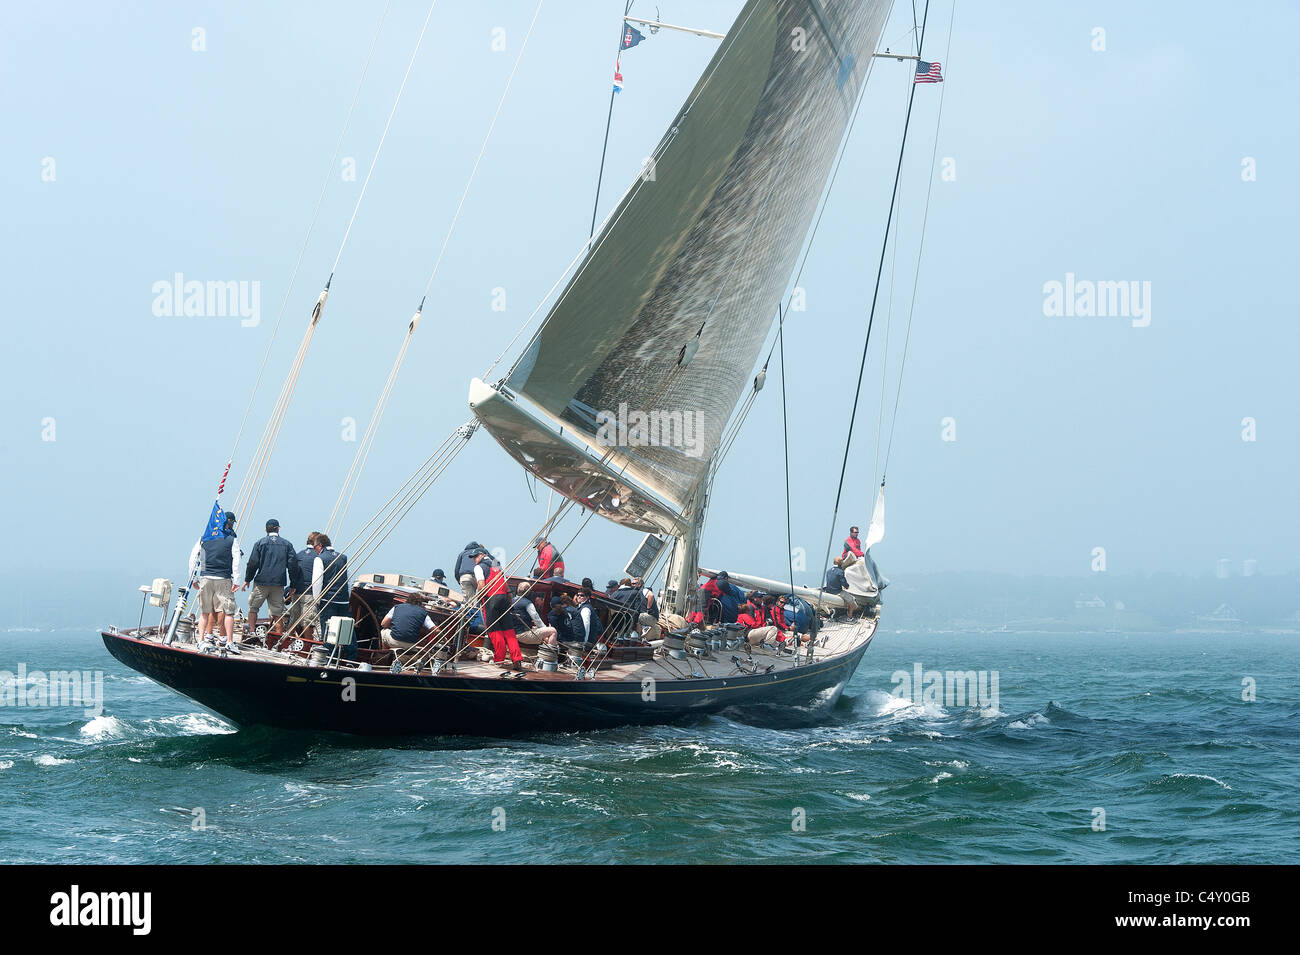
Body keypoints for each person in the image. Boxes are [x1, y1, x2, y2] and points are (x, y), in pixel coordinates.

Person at [187, 509, 242, 650]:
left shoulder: (204, 537)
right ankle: (229, 641)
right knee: (228, 611)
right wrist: (237, 580)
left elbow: (194, 557)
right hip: (223, 577)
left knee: (204, 612)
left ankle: (201, 640)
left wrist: (192, 578)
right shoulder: (232, 539)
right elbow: (236, 559)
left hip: (205, 577)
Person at [242, 518, 299, 636]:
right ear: (278, 529)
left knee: (253, 608)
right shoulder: (287, 544)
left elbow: (253, 563)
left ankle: (252, 632)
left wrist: (247, 579)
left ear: (265, 529)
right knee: (277, 612)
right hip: (278, 584)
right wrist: (293, 584)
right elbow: (293, 565)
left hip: (261, 582)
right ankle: (278, 637)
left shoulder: (260, 543)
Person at [311, 533, 353, 658]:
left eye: (314, 547)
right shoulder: (343, 557)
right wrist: (347, 597)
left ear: (320, 545)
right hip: (343, 600)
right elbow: (348, 580)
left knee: (328, 630)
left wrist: (316, 599)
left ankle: (329, 657)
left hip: (327, 600)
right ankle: (351, 657)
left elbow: (317, 581)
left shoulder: (320, 559)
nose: (314, 550)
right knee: (347, 630)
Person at [476, 553, 521, 669]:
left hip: (491, 599)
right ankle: (517, 660)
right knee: (508, 631)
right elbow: (506, 587)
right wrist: (509, 603)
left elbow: (481, 585)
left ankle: (499, 659)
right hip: (504, 598)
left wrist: (478, 600)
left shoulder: (479, 567)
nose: (474, 560)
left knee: (494, 630)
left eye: (475, 557)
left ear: (481, 555)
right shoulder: (497, 567)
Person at [510, 582, 558, 648]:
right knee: (553, 631)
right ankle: (548, 655)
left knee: (544, 636)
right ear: (529, 592)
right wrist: (545, 628)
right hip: (522, 635)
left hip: (512, 633)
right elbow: (536, 619)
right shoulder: (528, 603)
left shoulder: (511, 601)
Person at [288, 531, 318, 633]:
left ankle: (285, 643)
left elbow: (293, 569)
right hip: (309, 592)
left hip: (296, 591)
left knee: (294, 620)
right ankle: (308, 646)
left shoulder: (299, 554)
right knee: (307, 621)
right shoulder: (318, 557)